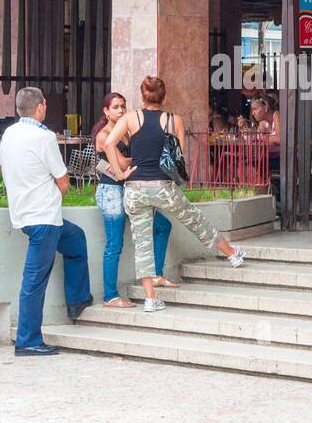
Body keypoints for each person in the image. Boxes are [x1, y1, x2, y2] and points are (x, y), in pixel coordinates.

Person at [104, 76, 245, 313]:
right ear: (164, 96)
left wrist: (120, 174)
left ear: (142, 96)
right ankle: (232, 254)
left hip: (135, 187)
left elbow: (108, 143)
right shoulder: (173, 120)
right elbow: (177, 154)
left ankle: (150, 298)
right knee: (196, 220)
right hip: (163, 186)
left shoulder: (130, 118)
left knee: (142, 242)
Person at [0, 87, 92, 355]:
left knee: (76, 239)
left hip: (25, 214)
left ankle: (78, 300)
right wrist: (52, 192)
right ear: (40, 107)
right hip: (45, 217)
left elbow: (3, 166)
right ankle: (28, 341)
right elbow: (64, 181)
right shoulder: (45, 137)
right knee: (34, 280)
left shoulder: (9, 134)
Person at [93, 92, 171, 308]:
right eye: (116, 107)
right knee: (114, 243)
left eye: (123, 106)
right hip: (111, 191)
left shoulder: (126, 131)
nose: (121, 110)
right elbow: (124, 163)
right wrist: (145, 156)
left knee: (162, 225)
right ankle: (110, 294)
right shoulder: (104, 134)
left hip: (131, 189)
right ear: (106, 111)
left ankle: (155, 274)